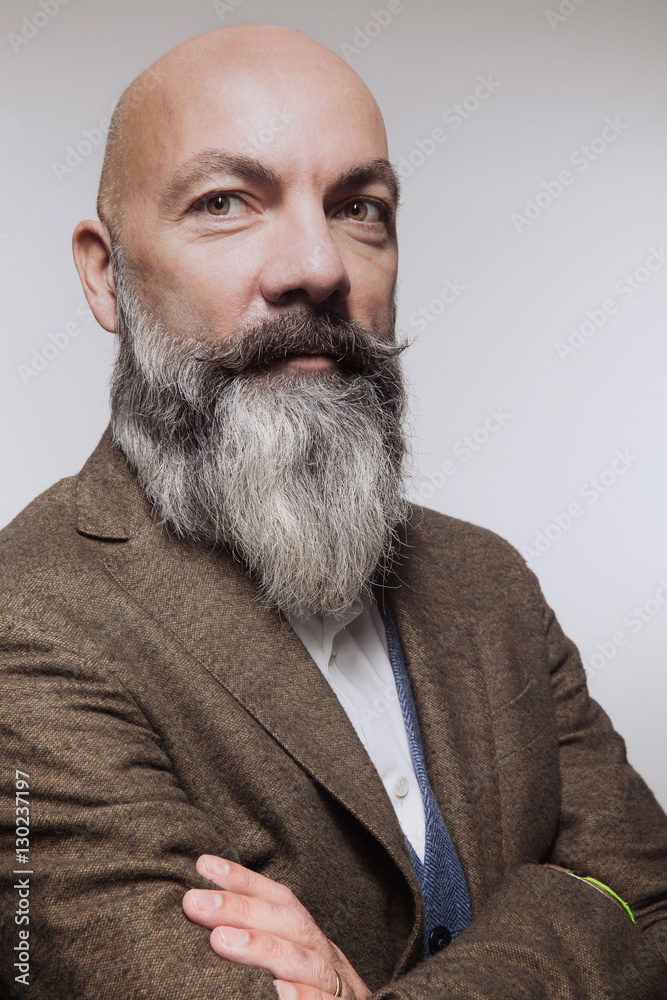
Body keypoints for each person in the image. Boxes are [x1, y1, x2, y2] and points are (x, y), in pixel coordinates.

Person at [1, 22, 666, 1000]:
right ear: (107, 273)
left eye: (359, 207)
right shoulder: (25, 618)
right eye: (225, 202)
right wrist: (568, 912)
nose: (317, 266)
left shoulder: (489, 581)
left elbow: (650, 900)